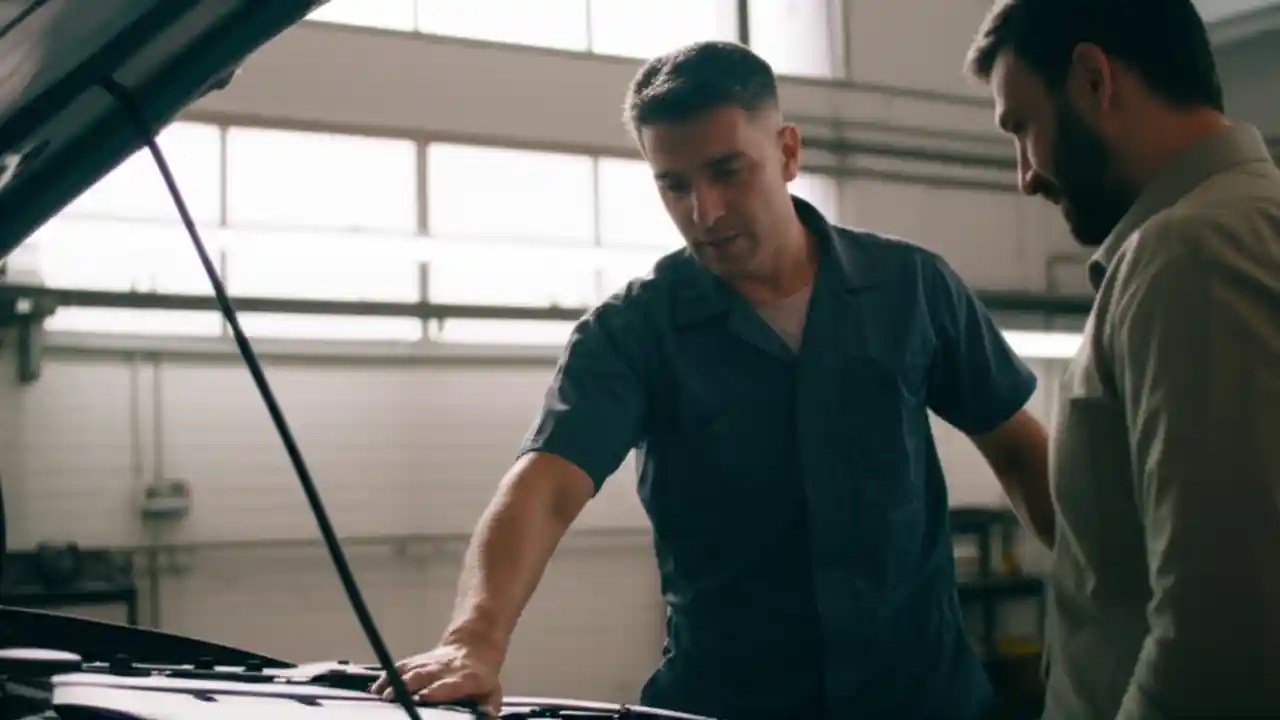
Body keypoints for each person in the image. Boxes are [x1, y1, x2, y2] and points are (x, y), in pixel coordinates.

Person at [372, 41, 1053, 719]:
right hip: (728, 706)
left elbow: (1020, 448)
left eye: (729, 172)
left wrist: (1115, 589)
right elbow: (545, 487)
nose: (706, 211)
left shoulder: (911, 289)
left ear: (787, 152)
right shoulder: (633, 331)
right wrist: (473, 642)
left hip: (921, 702)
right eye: (675, 184)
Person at [964, 1, 1280, 718]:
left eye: (1023, 128)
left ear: (1093, 78)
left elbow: (1221, 634)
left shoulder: (1194, 254)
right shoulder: (1234, 225)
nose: (1025, 174)